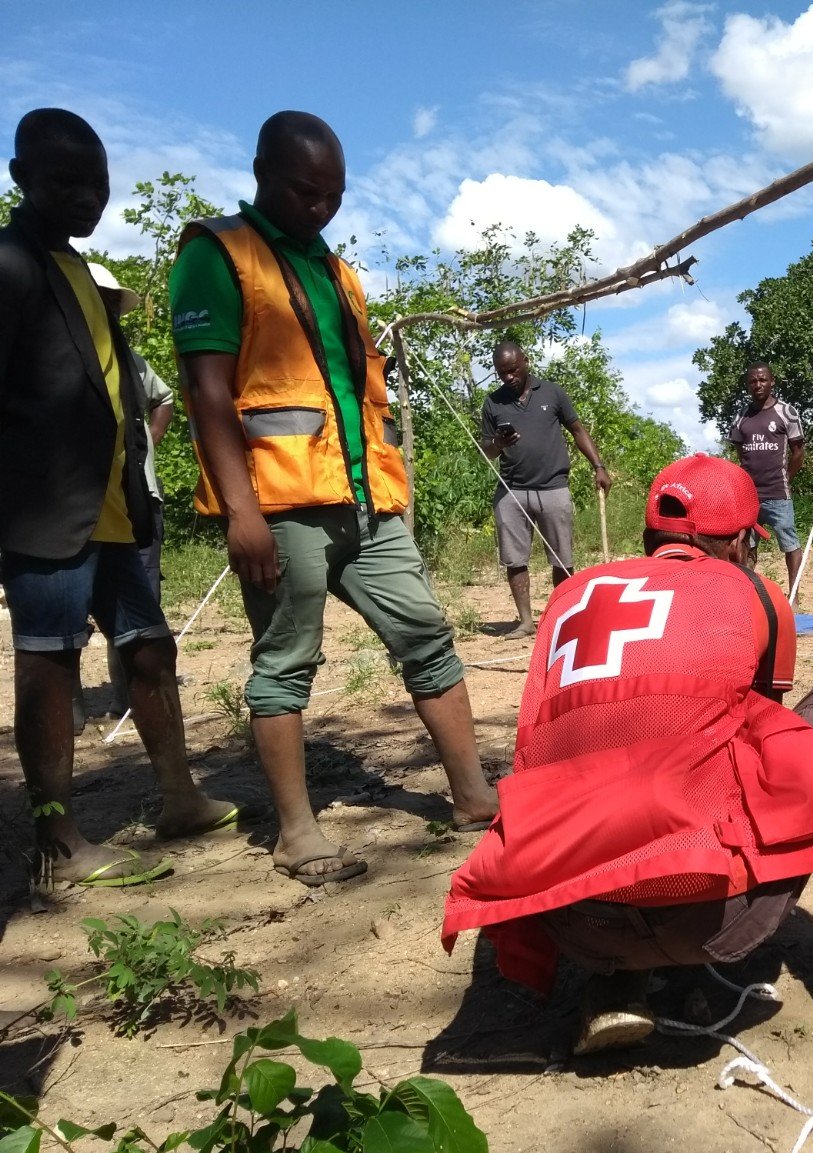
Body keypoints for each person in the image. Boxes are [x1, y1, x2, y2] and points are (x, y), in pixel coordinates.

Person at [443, 453, 813, 1062]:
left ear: (650, 538)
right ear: (743, 546)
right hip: (708, 921)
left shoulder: (570, 596)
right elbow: (764, 747)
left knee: (596, 758)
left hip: (576, 929)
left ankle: (618, 983)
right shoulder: (752, 591)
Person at [172, 111, 501, 886]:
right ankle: (296, 832)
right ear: (260, 172)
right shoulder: (218, 253)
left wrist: (377, 488)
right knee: (287, 661)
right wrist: (242, 512)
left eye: (334, 194)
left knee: (426, 631)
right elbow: (206, 391)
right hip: (281, 507)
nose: (320, 207)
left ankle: (474, 798)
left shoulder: (335, 271)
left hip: (363, 497)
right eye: (304, 190)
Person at [0, 109, 234, 888]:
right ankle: (59, 844)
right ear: (21, 179)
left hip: (119, 507)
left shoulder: (84, 277)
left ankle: (178, 796)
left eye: (95, 182)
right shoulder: (9, 264)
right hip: (46, 510)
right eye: (64, 180)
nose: (84, 196)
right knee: (49, 664)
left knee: (148, 646)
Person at [89, 263, 176, 713]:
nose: (107, 311)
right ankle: (72, 702)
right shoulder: (44, 353)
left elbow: (164, 399)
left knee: (141, 600)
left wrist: (147, 444)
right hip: (71, 506)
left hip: (138, 499)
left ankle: (130, 694)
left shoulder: (133, 363)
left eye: (111, 304)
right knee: (68, 606)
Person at [480, 339, 611, 638]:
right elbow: (486, 449)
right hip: (511, 491)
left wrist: (599, 466)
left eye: (512, 370)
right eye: (502, 373)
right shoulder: (493, 402)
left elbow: (577, 430)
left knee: (562, 558)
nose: (508, 377)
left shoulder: (552, 393)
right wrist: (498, 443)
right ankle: (526, 622)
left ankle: (564, 618)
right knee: (515, 559)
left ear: (525, 361)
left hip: (553, 486)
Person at [729, 364, 804, 599]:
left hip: (778, 493)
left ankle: (794, 596)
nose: (758, 385)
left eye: (762, 380)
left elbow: (798, 453)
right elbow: (741, 453)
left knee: (789, 542)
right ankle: (748, 595)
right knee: (745, 544)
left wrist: (786, 480)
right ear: (747, 385)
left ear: (772, 381)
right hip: (748, 495)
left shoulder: (787, 412)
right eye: (753, 381)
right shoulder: (741, 416)